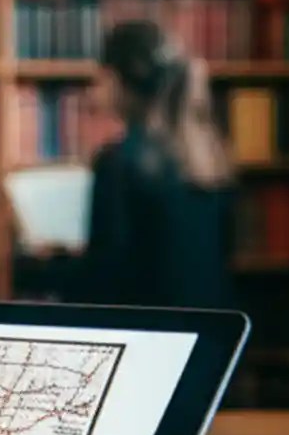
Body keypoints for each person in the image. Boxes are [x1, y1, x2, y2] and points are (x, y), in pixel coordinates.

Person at [73, 20, 238, 309]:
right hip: (207, 335)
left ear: (114, 80)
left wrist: (49, 270)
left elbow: (105, 279)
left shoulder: (119, 162)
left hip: (148, 336)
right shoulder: (213, 159)